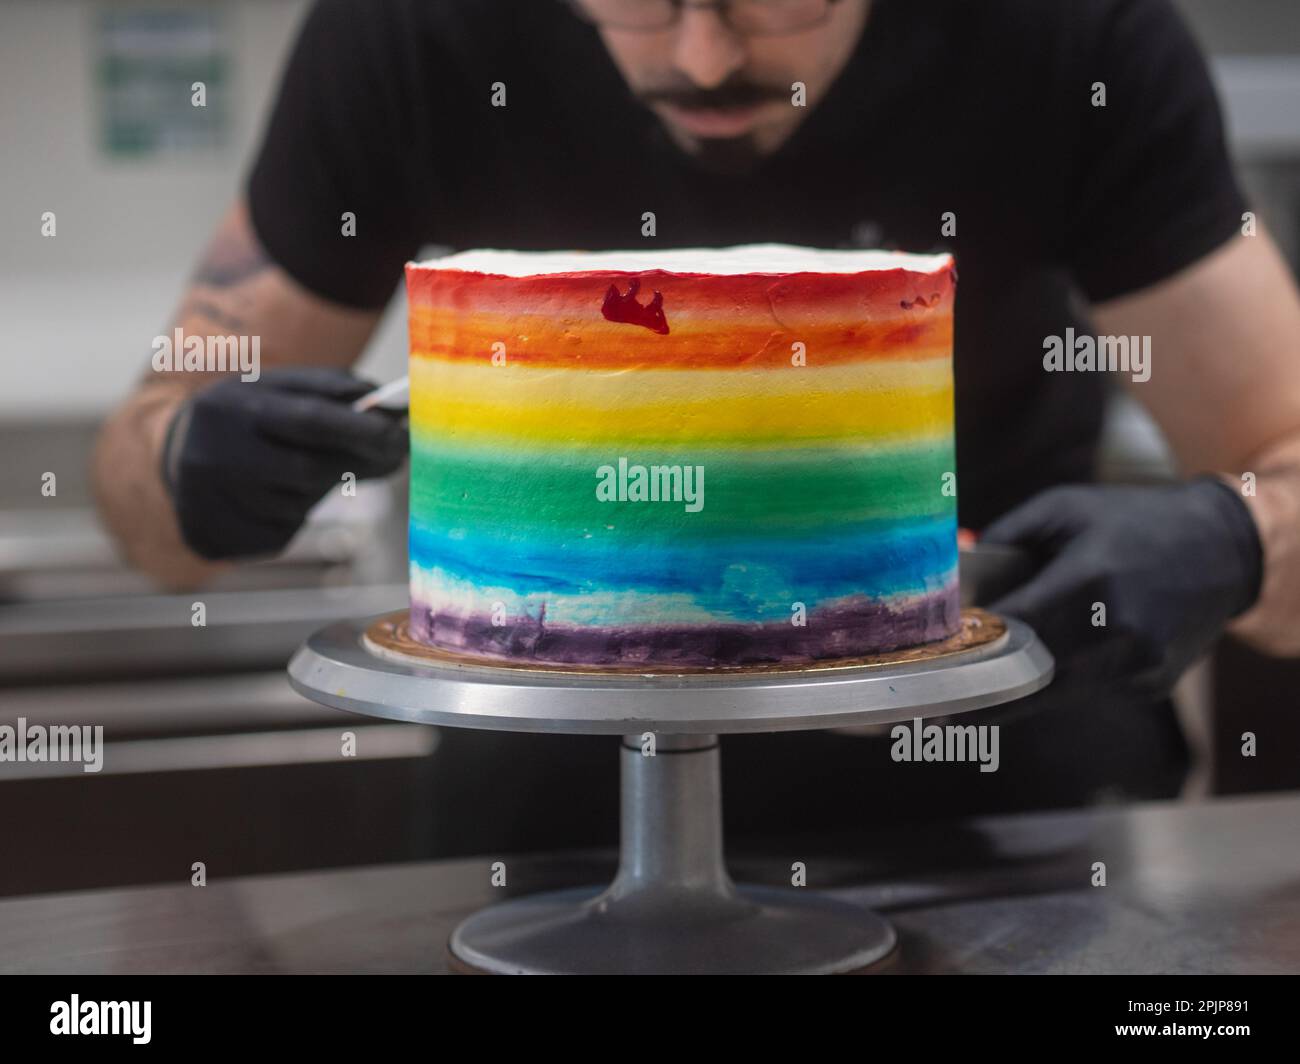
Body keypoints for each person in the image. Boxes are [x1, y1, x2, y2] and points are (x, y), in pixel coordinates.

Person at [94, 0, 1300, 855]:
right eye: (637, 0)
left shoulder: (1074, 35)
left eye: (771, 1)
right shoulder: (406, 33)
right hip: (550, 851)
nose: (703, 50)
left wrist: (1234, 539)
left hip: (996, 816)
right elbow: (150, 514)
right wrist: (185, 471)